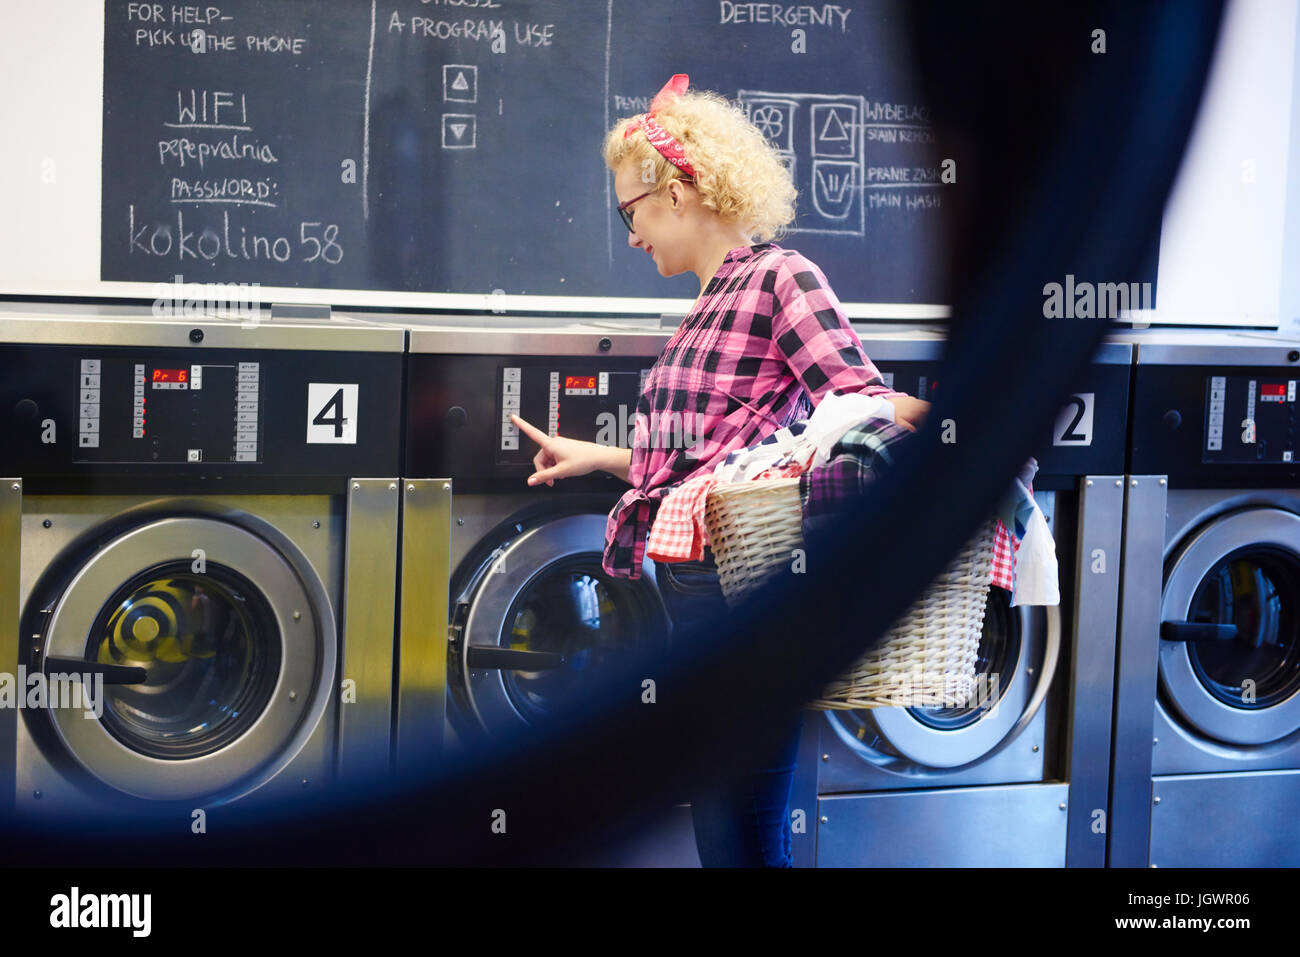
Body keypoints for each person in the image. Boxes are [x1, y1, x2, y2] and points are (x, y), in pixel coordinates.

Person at [510, 74, 930, 868]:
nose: (631, 236)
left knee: (739, 839)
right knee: (726, 834)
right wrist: (598, 458)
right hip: (693, 593)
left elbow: (856, 403)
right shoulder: (707, 302)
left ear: (676, 192)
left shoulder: (781, 276)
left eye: (629, 212)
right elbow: (713, 457)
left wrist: (953, 424)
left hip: (746, 591)